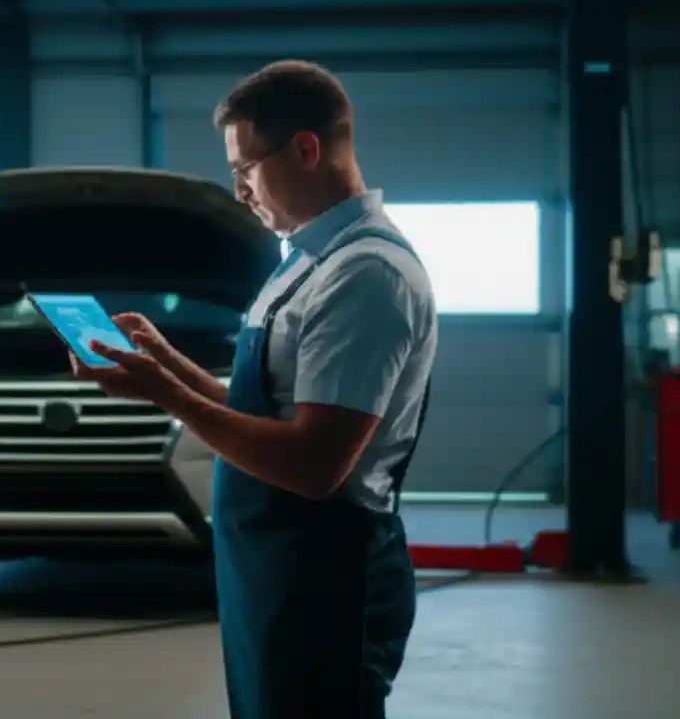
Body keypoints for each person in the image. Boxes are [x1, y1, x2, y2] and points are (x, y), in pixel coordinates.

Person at [73, 60, 438, 719]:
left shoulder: (365, 276)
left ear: (305, 148)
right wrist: (164, 360)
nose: (238, 190)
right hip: (275, 572)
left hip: (327, 577)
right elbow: (257, 406)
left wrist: (168, 395)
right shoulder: (303, 263)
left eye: (245, 169)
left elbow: (313, 464)